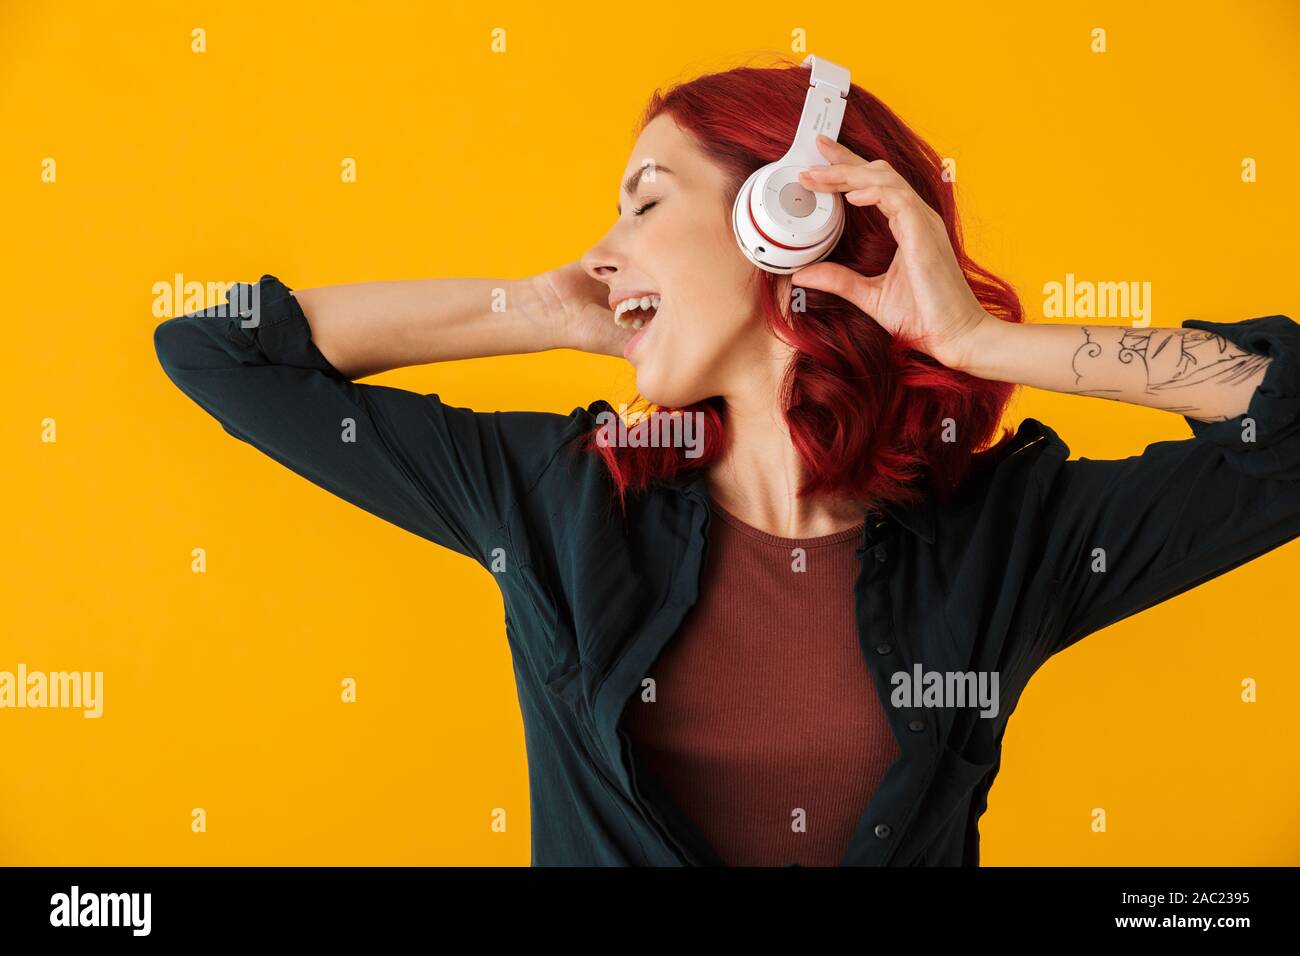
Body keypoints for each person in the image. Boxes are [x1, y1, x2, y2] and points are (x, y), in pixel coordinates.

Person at [153, 57, 1300, 866]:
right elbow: (215, 350)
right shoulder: (559, 497)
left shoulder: (1006, 535)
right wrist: (544, 308)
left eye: (643, 205)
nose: (601, 252)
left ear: (788, 217)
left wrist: (978, 339)